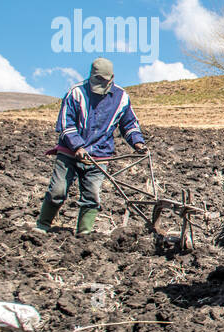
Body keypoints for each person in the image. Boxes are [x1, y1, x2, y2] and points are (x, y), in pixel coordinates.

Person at [33, 58, 147, 236]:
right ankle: (42, 226)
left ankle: (84, 235)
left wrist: (138, 142)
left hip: (99, 155)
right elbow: (66, 124)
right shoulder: (76, 93)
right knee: (57, 191)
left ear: (111, 79)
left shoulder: (121, 98)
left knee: (91, 196)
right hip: (69, 153)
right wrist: (77, 146)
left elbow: (129, 124)